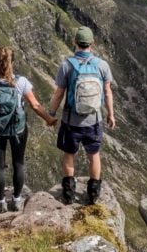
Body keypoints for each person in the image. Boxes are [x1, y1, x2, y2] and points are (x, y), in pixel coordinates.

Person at [0, 46, 57, 213]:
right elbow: (34, 105)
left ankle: (1, 202)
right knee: (18, 163)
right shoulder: (21, 82)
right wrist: (49, 119)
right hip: (17, 129)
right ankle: (17, 200)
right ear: (11, 63)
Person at [47, 26, 116, 205]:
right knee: (94, 155)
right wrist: (111, 114)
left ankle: (69, 195)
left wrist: (51, 114)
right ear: (92, 43)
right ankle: (93, 194)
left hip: (71, 121)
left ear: (74, 42)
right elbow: (108, 93)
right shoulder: (102, 65)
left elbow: (59, 93)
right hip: (94, 121)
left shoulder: (67, 65)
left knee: (69, 155)